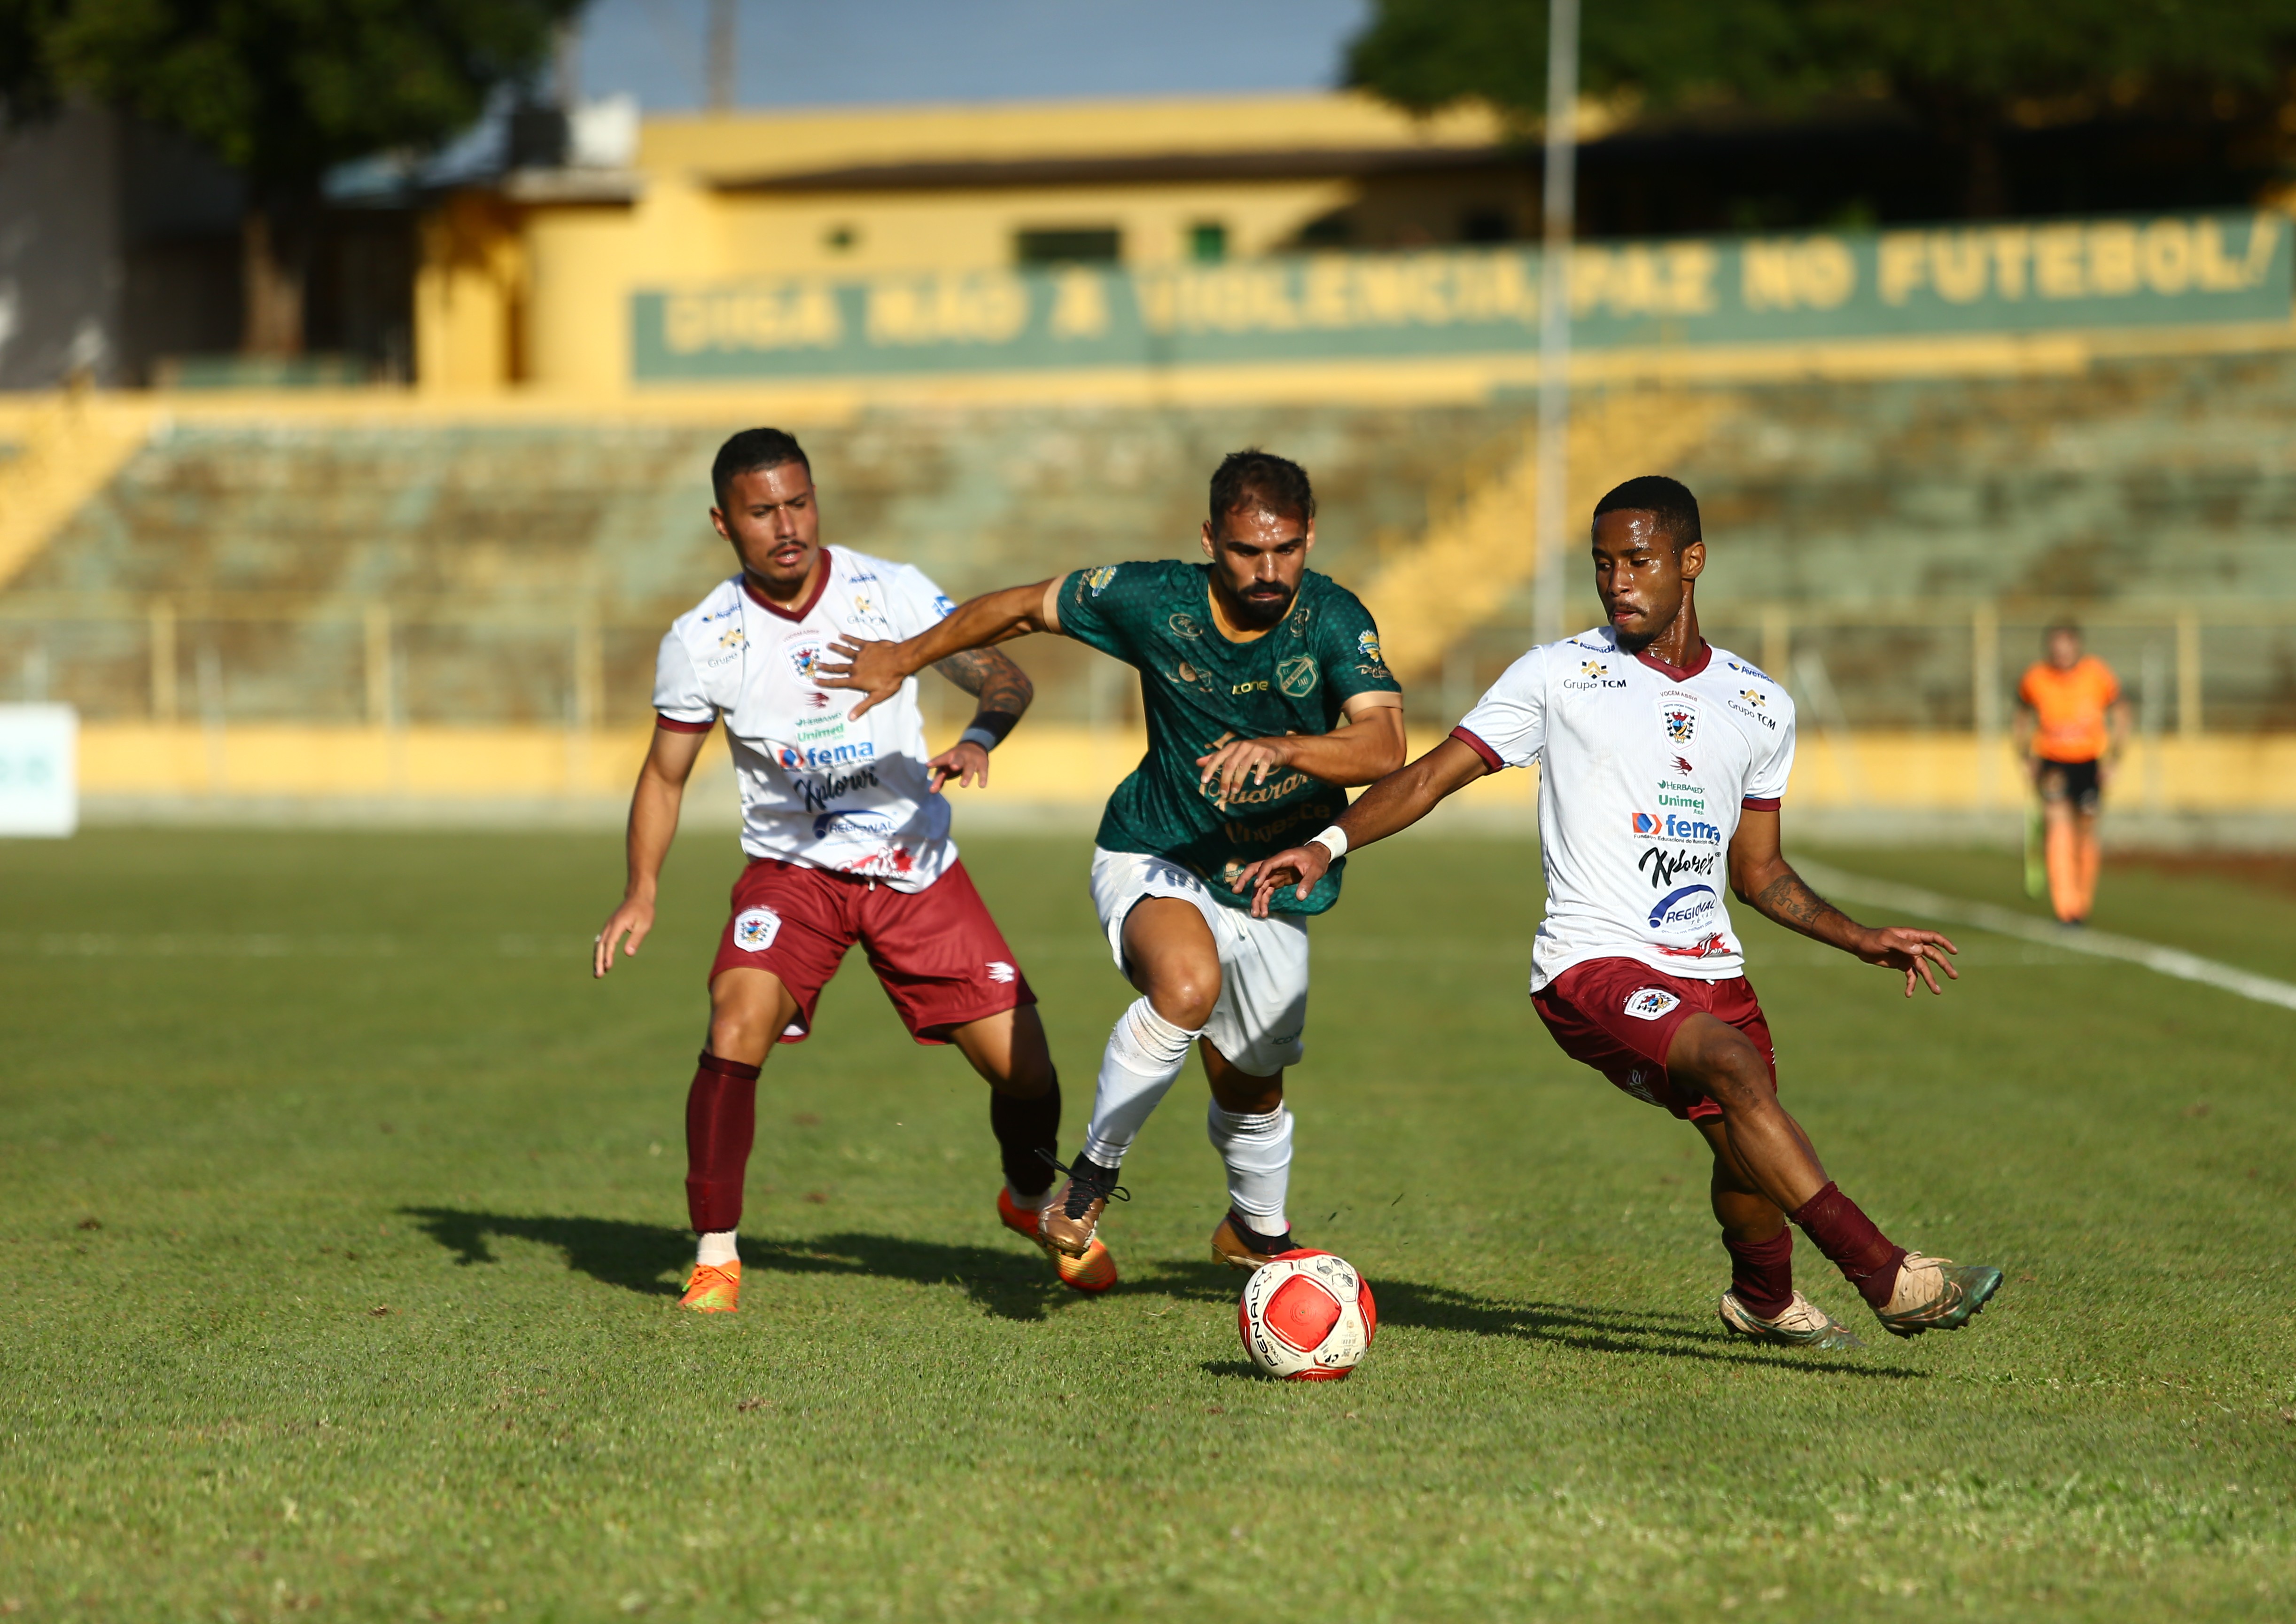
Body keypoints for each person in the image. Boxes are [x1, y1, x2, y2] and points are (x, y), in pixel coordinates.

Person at [1237, 475, 2003, 1347]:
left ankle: (1760, 1297)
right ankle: (1886, 1274)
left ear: (1691, 562)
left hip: (1710, 965)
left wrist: (1856, 936)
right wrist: (1324, 845)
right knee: (1731, 1071)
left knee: (1746, 1143)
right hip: (1590, 963)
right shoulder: (1557, 675)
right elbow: (1426, 775)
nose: (1616, 581)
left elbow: (1758, 874)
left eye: (1636, 561)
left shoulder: (1759, 705)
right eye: (1602, 563)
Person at [818, 449, 1405, 1273]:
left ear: (1310, 533)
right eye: (1244, 551)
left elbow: (1385, 743)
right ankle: (1089, 1177)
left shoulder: (1335, 618)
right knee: (1186, 986)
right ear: (1209, 538)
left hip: (1269, 883)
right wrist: (904, 656)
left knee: (1251, 1084)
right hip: (1153, 849)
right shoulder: (1152, 597)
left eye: (1285, 549)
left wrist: (1285, 748)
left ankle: (1251, 1231)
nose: (1267, 569)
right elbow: (1021, 608)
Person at [592, 427, 1110, 1314]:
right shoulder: (702, 640)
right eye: (762, 511)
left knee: (1027, 1071)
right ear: (724, 523)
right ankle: (715, 1254)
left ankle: (1027, 1203)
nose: (786, 525)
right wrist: (641, 887)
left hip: (915, 865)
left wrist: (977, 738)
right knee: (734, 1020)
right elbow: (664, 774)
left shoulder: (892, 592)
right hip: (793, 876)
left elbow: (1004, 678)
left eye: (799, 502)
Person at [2014, 624, 2129, 926]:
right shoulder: (2036, 677)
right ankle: (2067, 908)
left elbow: (2121, 714)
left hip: (2089, 763)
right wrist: (2025, 756)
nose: (2062, 653)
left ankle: (2082, 902)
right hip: (2053, 762)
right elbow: (2021, 716)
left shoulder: (2097, 674)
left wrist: (2114, 759)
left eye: (2067, 646)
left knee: (2087, 834)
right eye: (2056, 647)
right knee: (2059, 830)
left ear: (2078, 647)